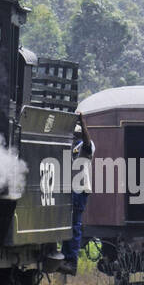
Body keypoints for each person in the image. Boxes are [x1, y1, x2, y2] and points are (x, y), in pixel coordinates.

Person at [61, 116, 95, 275]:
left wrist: (83, 123)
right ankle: (65, 258)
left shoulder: (87, 147)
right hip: (69, 189)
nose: (74, 137)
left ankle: (71, 260)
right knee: (68, 225)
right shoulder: (70, 146)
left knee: (74, 226)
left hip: (79, 189)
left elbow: (87, 142)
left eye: (76, 134)